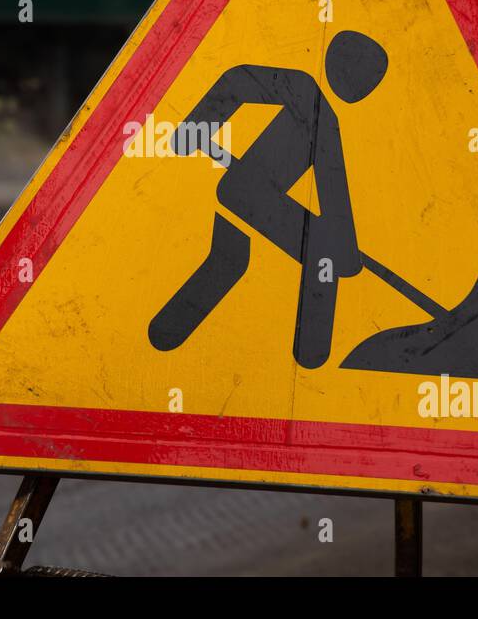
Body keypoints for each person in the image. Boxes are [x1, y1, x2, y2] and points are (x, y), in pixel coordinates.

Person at [148, 30, 388, 369]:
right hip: (250, 194)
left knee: (229, 260)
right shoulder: (305, 92)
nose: (364, 86)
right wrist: (193, 130)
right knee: (322, 251)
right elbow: (237, 82)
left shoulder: (323, 116)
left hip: (242, 192)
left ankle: (165, 333)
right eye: (366, 76)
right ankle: (311, 352)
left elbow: (332, 191)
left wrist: (346, 250)